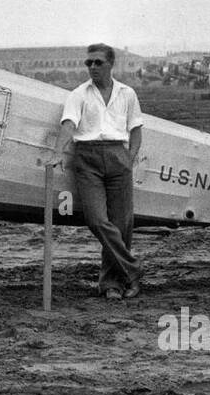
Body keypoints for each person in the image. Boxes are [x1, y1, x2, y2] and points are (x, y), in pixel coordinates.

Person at [45, 44, 144, 301]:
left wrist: (128, 160)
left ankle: (112, 284)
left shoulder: (127, 93)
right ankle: (133, 270)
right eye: (89, 63)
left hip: (117, 157)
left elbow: (136, 129)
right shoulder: (79, 94)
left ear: (111, 64)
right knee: (97, 220)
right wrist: (57, 153)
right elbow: (68, 125)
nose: (92, 67)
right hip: (87, 158)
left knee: (122, 225)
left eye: (98, 62)